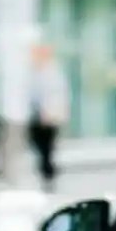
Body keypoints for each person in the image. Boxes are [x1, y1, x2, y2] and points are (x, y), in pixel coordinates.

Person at [28, 43, 69, 193]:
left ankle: (49, 175)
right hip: (35, 117)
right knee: (40, 147)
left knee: (47, 149)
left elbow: (58, 96)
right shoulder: (33, 72)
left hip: (48, 118)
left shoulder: (52, 73)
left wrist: (53, 113)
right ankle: (46, 173)